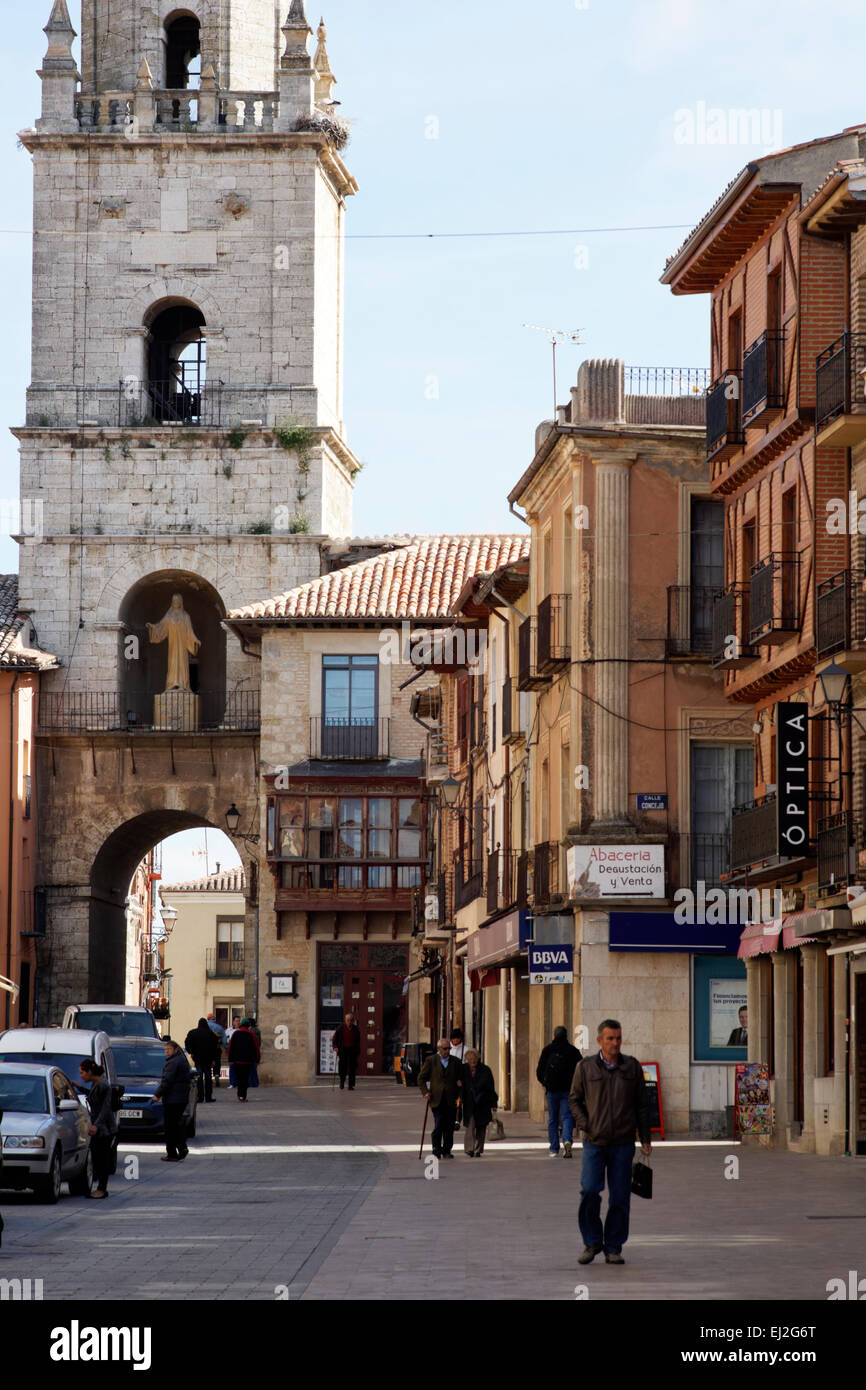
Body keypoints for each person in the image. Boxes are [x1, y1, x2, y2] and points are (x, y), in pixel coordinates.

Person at [569, 1019, 651, 1266]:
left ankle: (613, 1247)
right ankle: (592, 1242)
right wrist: (586, 1124)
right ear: (599, 1041)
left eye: (618, 1038)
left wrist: (645, 1137)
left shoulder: (632, 1067)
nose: (615, 1043)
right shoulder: (585, 1068)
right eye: (610, 1039)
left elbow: (642, 1105)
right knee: (590, 1191)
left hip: (623, 1143)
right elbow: (574, 1100)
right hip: (595, 1142)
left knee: (620, 1197)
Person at [537, 1024, 582, 1157]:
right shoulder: (573, 1051)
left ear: (554, 1036)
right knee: (567, 1116)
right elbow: (581, 1069)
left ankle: (554, 1148)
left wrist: (545, 1083)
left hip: (552, 1090)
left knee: (553, 1119)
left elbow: (539, 1070)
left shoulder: (548, 1050)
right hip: (568, 1090)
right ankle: (567, 1140)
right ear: (566, 1036)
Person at [78, 1059, 118, 1198]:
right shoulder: (97, 1083)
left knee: (102, 1159)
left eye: (82, 1072)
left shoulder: (102, 1085)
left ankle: (101, 1189)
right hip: (99, 1128)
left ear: (90, 1071)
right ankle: (99, 1187)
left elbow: (105, 1108)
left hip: (104, 1129)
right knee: (97, 1157)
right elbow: (94, 1097)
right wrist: (79, 1088)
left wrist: (96, 1125)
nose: (81, 1076)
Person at [418, 1037, 462, 1159]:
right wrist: (425, 1092)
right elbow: (421, 1078)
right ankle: (436, 1148)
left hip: (451, 1099)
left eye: (449, 1048)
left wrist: (459, 1087)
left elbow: (461, 1078)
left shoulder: (456, 1062)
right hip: (436, 1099)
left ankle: (447, 1150)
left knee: (449, 1126)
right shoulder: (431, 1061)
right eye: (444, 1049)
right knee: (439, 1124)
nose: (447, 1051)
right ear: (438, 1049)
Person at [153, 1036, 193, 1161]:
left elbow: (167, 1081)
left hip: (173, 1099)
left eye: (169, 1049)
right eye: (165, 1050)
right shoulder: (182, 1060)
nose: (167, 1052)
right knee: (176, 1125)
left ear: (175, 1050)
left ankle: (173, 1153)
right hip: (180, 1098)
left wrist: (157, 1094)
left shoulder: (173, 1063)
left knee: (170, 1126)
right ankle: (181, 1148)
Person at [461, 1049, 497, 1157]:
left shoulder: (485, 1070)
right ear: (467, 1059)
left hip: (483, 1102)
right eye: (470, 1059)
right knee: (470, 1125)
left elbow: (491, 1087)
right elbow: (460, 1083)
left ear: (478, 1058)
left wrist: (493, 1103)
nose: (473, 1060)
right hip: (469, 1103)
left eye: (475, 1058)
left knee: (481, 1127)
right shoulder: (463, 1069)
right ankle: (469, 1148)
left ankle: (478, 1149)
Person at [185, 1017, 219, 1103]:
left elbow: (187, 1043)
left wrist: (191, 1052)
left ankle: (200, 1097)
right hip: (208, 1059)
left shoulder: (193, 1033)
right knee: (208, 1078)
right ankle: (208, 1097)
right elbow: (215, 1048)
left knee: (199, 1078)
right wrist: (214, 1059)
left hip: (198, 1058)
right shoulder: (211, 1034)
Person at [228, 1018, 261, 1102]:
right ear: (248, 1025)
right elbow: (256, 1048)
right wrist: (257, 1059)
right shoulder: (251, 1034)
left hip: (237, 1060)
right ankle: (243, 1096)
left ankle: (240, 1094)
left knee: (239, 1077)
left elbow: (231, 1047)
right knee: (245, 1078)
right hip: (247, 1061)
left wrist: (230, 1059)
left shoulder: (235, 1033)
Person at [332, 1013, 361, 1091]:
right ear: (345, 1020)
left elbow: (358, 1041)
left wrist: (358, 1051)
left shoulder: (356, 1029)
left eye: (351, 1020)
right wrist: (335, 1047)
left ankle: (351, 1085)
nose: (349, 1022)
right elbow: (335, 1039)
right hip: (343, 1050)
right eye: (348, 1020)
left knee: (352, 1068)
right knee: (342, 1067)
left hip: (352, 1051)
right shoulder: (340, 1028)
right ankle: (342, 1082)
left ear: (353, 1021)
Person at [207, 1014, 227, 1087]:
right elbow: (224, 1040)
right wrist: (226, 1048)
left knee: (208, 1063)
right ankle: (217, 1074)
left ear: (208, 1019)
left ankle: (208, 1077)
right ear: (214, 1019)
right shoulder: (220, 1027)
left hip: (207, 1049)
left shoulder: (205, 1026)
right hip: (217, 1048)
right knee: (217, 1062)